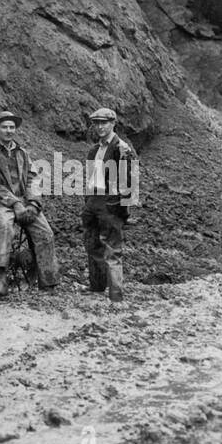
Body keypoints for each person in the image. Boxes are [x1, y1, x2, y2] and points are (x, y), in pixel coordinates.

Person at [0, 109, 59, 297]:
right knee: (5, 226)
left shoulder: (22, 153)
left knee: (45, 232)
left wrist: (32, 203)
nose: (9, 130)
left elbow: (33, 178)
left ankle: (48, 281)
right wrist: (15, 204)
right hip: (1, 203)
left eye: (12, 127)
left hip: (24, 201)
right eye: (4, 127)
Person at [81, 107, 139, 304]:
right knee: (92, 246)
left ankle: (116, 296)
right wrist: (87, 203)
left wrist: (123, 211)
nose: (99, 127)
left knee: (112, 250)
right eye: (96, 123)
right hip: (93, 203)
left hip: (111, 203)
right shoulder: (94, 150)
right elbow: (89, 179)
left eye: (103, 123)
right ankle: (96, 288)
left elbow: (130, 180)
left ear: (113, 124)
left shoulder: (121, 148)